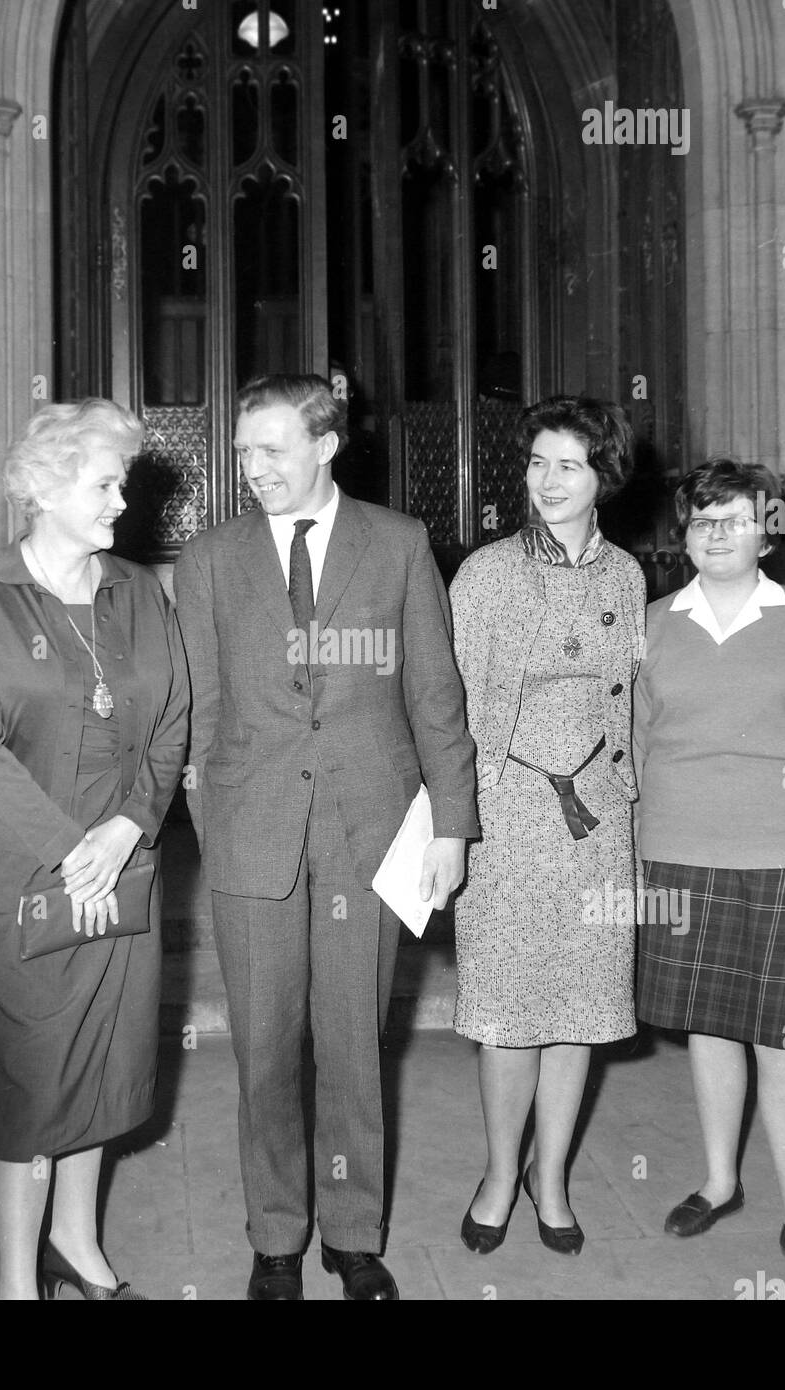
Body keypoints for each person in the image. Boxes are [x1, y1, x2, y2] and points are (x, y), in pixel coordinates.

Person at [173, 373, 478, 1300]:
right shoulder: (210, 558)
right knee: (263, 1049)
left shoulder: (397, 543)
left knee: (351, 1043)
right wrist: (216, 820)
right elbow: (198, 710)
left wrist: (453, 826)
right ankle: (274, 1239)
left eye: (270, 449)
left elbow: (433, 691)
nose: (250, 467)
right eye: (241, 450)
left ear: (325, 444)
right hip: (252, 832)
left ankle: (351, 1236)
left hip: (369, 833)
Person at [0, 399, 189, 1301]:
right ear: (44, 489)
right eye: (105, 483)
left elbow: (172, 724)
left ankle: (76, 1242)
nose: (122, 502)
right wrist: (72, 851)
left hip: (126, 860)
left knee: (108, 1064)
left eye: (123, 482)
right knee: (30, 1081)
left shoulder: (136, 591)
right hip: (22, 873)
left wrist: (126, 829)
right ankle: (13, 1281)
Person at [634, 457, 785, 1289]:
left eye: (734, 520)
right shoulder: (653, 625)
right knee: (707, 1030)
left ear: (767, 533)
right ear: (683, 536)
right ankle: (719, 1180)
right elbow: (629, 749)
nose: (717, 535)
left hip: (782, 856)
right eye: (702, 521)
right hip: (678, 854)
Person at [449, 396, 645, 1256]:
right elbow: (448, 709)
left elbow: (630, 698)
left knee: (581, 1005)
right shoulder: (486, 573)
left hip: (597, 819)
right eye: (537, 462)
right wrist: (452, 819)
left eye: (569, 464)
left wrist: (630, 794)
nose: (549, 481)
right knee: (506, 1009)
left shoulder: (627, 577)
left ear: (603, 475)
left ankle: (551, 1176)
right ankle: (500, 1172)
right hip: (507, 813)